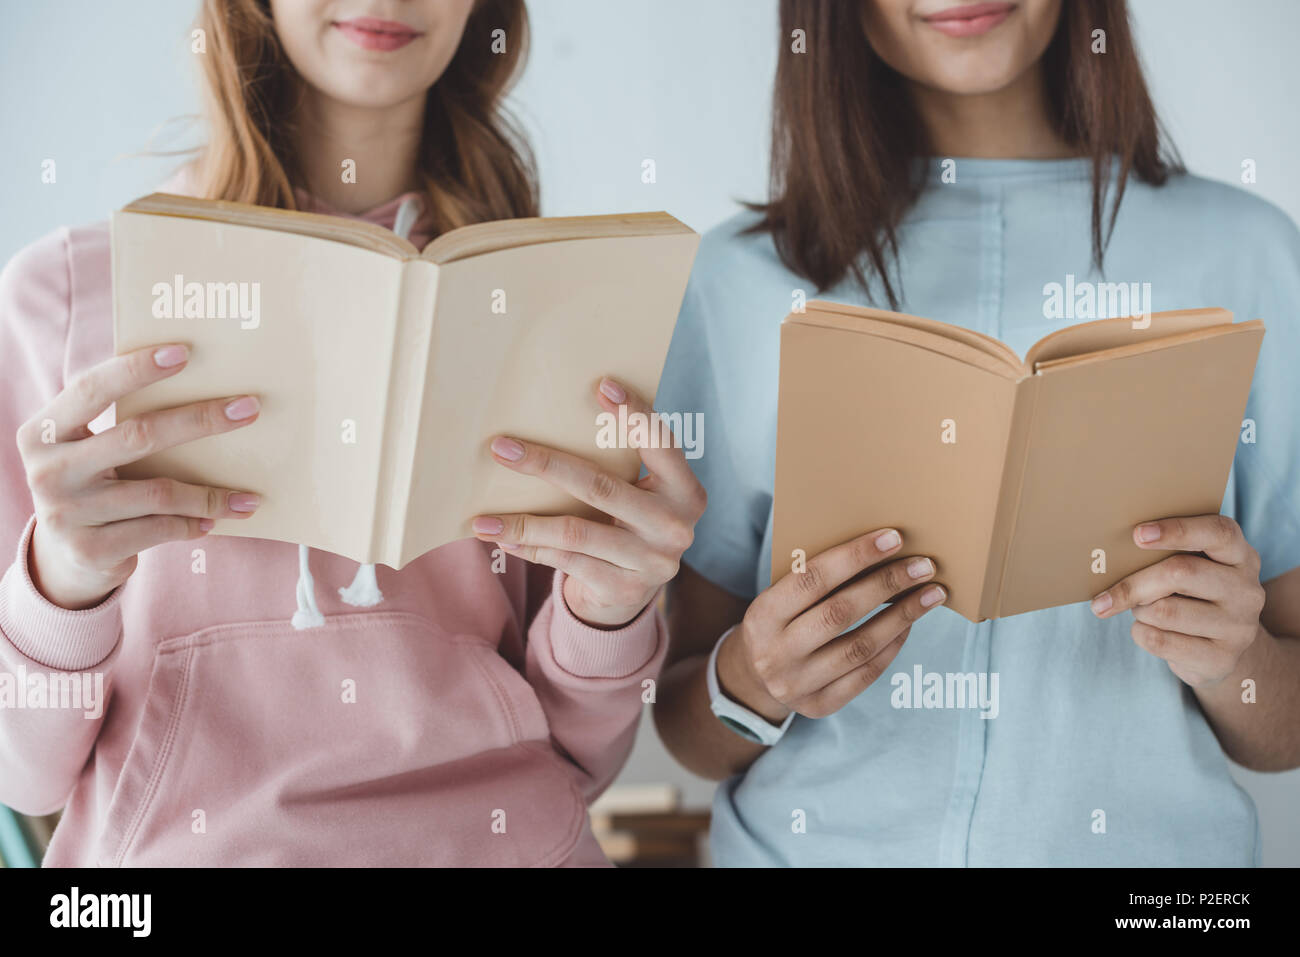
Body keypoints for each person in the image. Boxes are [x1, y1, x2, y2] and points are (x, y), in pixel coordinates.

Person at [0, 0, 704, 866]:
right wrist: (60, 583)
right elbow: (20, 777)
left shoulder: (543, 299)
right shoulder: (59, 298)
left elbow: (583, 760)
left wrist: (611, 611)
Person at [654, 0, 1300, 866]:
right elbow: (683, 718)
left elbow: (1284, 730)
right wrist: (755, 681)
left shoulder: (1248, 253)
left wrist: (1235, 656)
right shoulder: (736, 277)